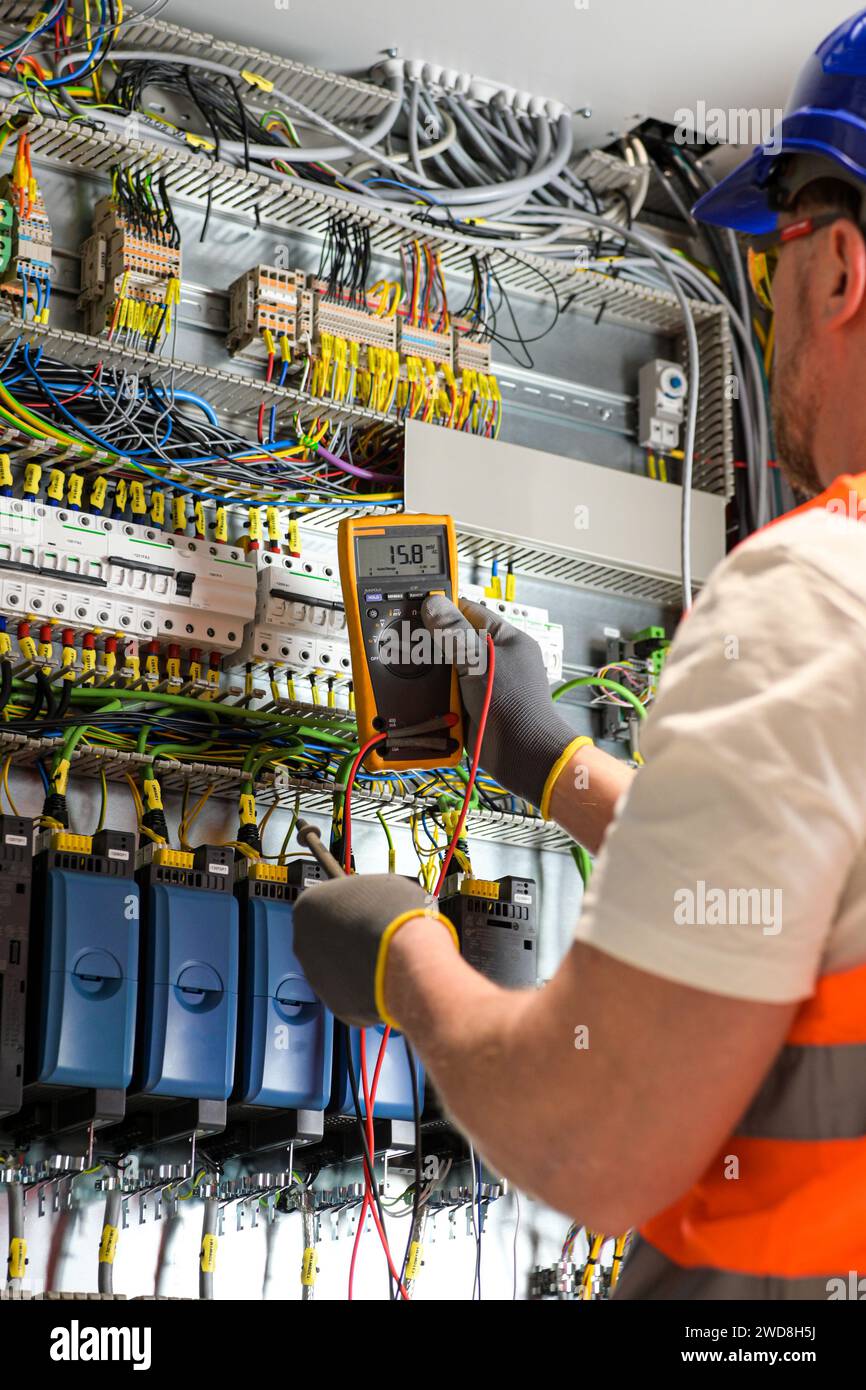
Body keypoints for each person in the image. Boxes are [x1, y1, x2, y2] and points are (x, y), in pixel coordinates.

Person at [294, 9, 866, 1299]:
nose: (767, 302)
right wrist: (553, 762)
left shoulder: (818, 591)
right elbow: (801, 885)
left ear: (838, 269)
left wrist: (408, 964)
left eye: (769, 257)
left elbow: (589, 1140)